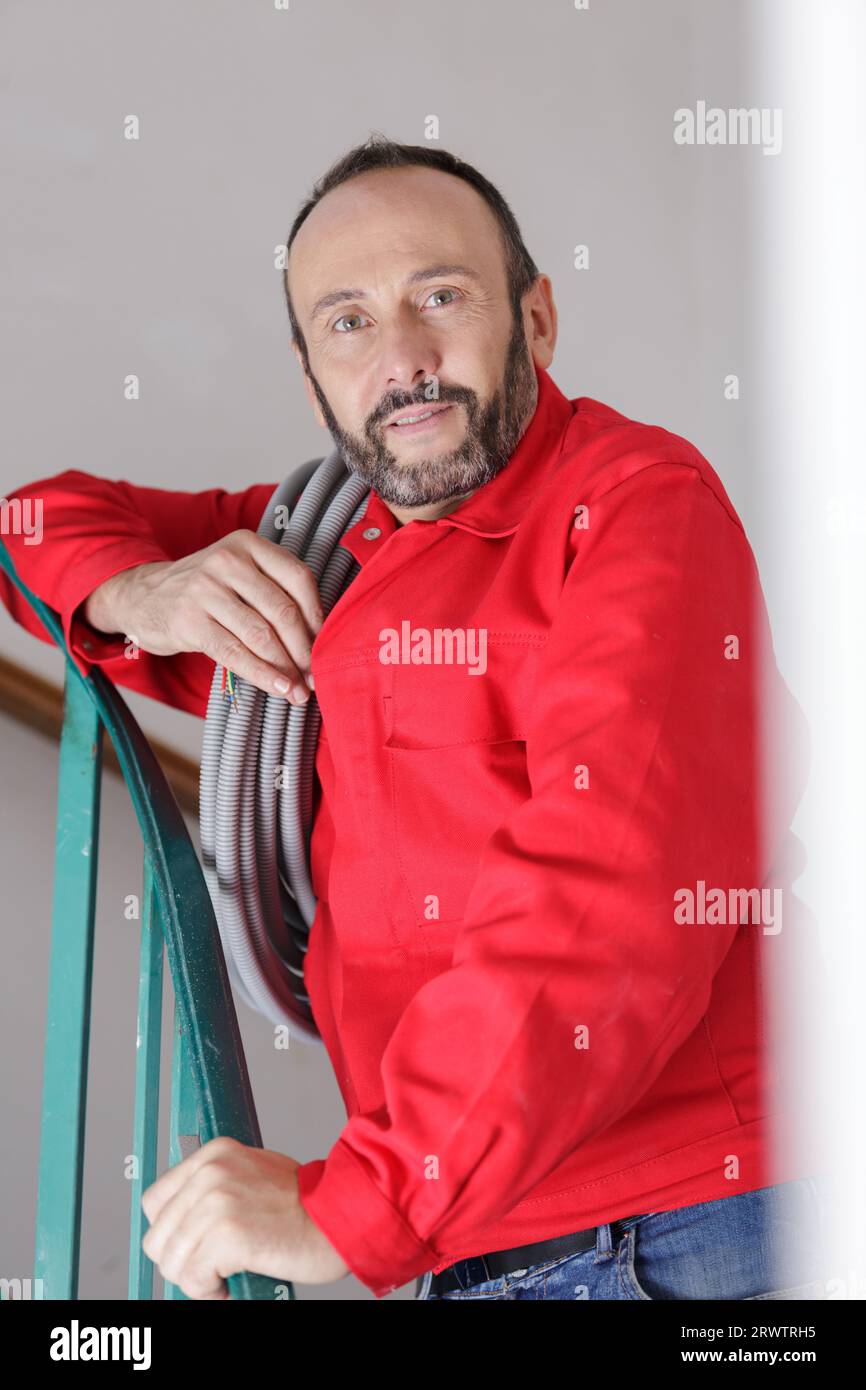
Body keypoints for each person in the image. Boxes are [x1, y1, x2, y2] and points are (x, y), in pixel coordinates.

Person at [0, 135, 827, 1301]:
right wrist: (144, 591)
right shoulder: (319, 558)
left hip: (688, 1233)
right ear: (311, 377)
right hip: (476, 1247)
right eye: (346, 322)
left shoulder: (636, 505)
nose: (402, 360)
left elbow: (611, 891)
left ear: (533, 320)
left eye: (437, 296)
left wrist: (359, 1205)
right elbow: (32, 526)